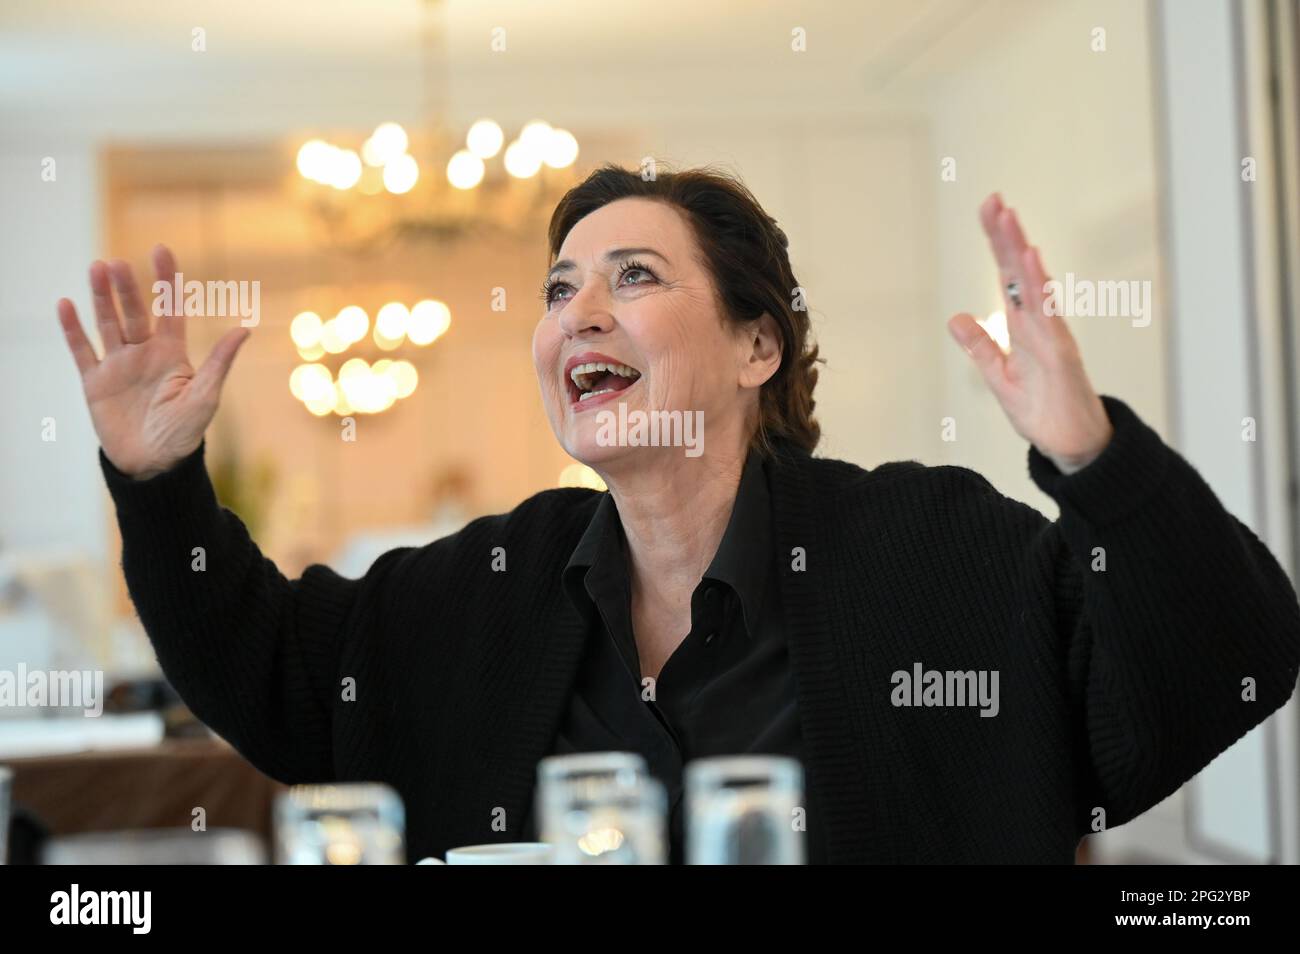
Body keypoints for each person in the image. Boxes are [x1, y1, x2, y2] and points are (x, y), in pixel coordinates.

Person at [57, 164, 1300, 863]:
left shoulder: (936, 551)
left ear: (757, 343)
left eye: (632, 277)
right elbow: (267, 672)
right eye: (558, 288)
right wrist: (162, 491)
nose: (577, 313)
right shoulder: (481, 590)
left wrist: (1090, 457)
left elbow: (1231, 659)